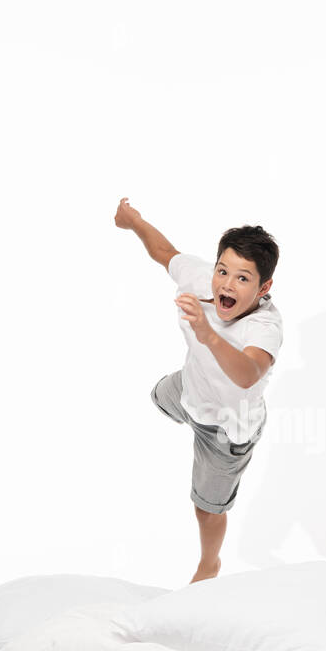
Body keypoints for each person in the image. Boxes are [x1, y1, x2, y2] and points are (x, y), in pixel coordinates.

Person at [114, 197, 283, 582]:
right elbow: (164, 251)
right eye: (223, 271)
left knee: (207, 507)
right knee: (160, 394)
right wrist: (134, 221)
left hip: (226, 429)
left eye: (243, 278)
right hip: (190, 389)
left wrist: (207, 335)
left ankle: (210, 563)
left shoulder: (265, 327)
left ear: (263, 286)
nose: (226, 283)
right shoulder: (202, 278)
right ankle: (183, 407)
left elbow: (248, 373)